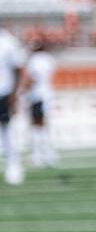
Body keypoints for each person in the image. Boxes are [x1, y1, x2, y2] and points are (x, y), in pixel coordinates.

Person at [22, 39, 57, 168]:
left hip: (36, 95)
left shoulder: (35, 60)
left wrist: (23, 91)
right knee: (44, 125)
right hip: (47, 93)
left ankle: (38, 155)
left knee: (36, 125)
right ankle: (48, 153)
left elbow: (32, 78)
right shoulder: (49, 58)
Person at [0, 22, 26, 185]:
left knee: (7, 129)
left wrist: (15, 94)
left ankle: (13, 165)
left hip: (4, 92)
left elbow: (19, 69)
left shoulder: (8, 42)